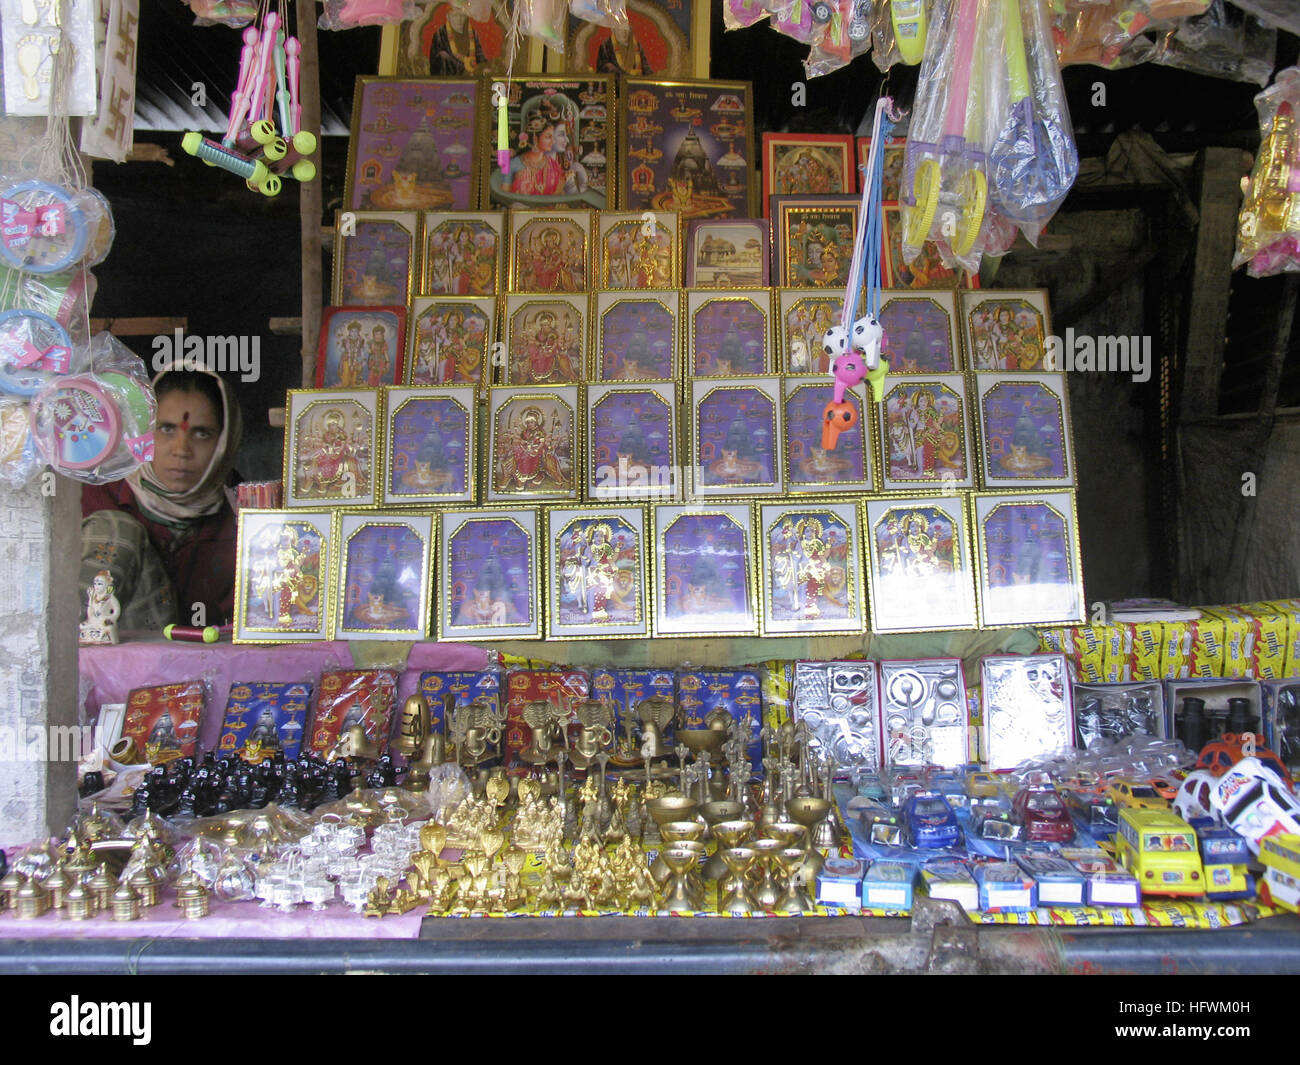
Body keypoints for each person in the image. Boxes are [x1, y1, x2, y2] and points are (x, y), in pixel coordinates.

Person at [81, 369, 243, 631]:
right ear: (143, 431)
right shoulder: (101, 495)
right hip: (108, 666)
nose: (181, 450)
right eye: (166, 429)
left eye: (201, 434)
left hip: (208, 664)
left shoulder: (243, 514)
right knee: (114, 529)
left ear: (225, 441)